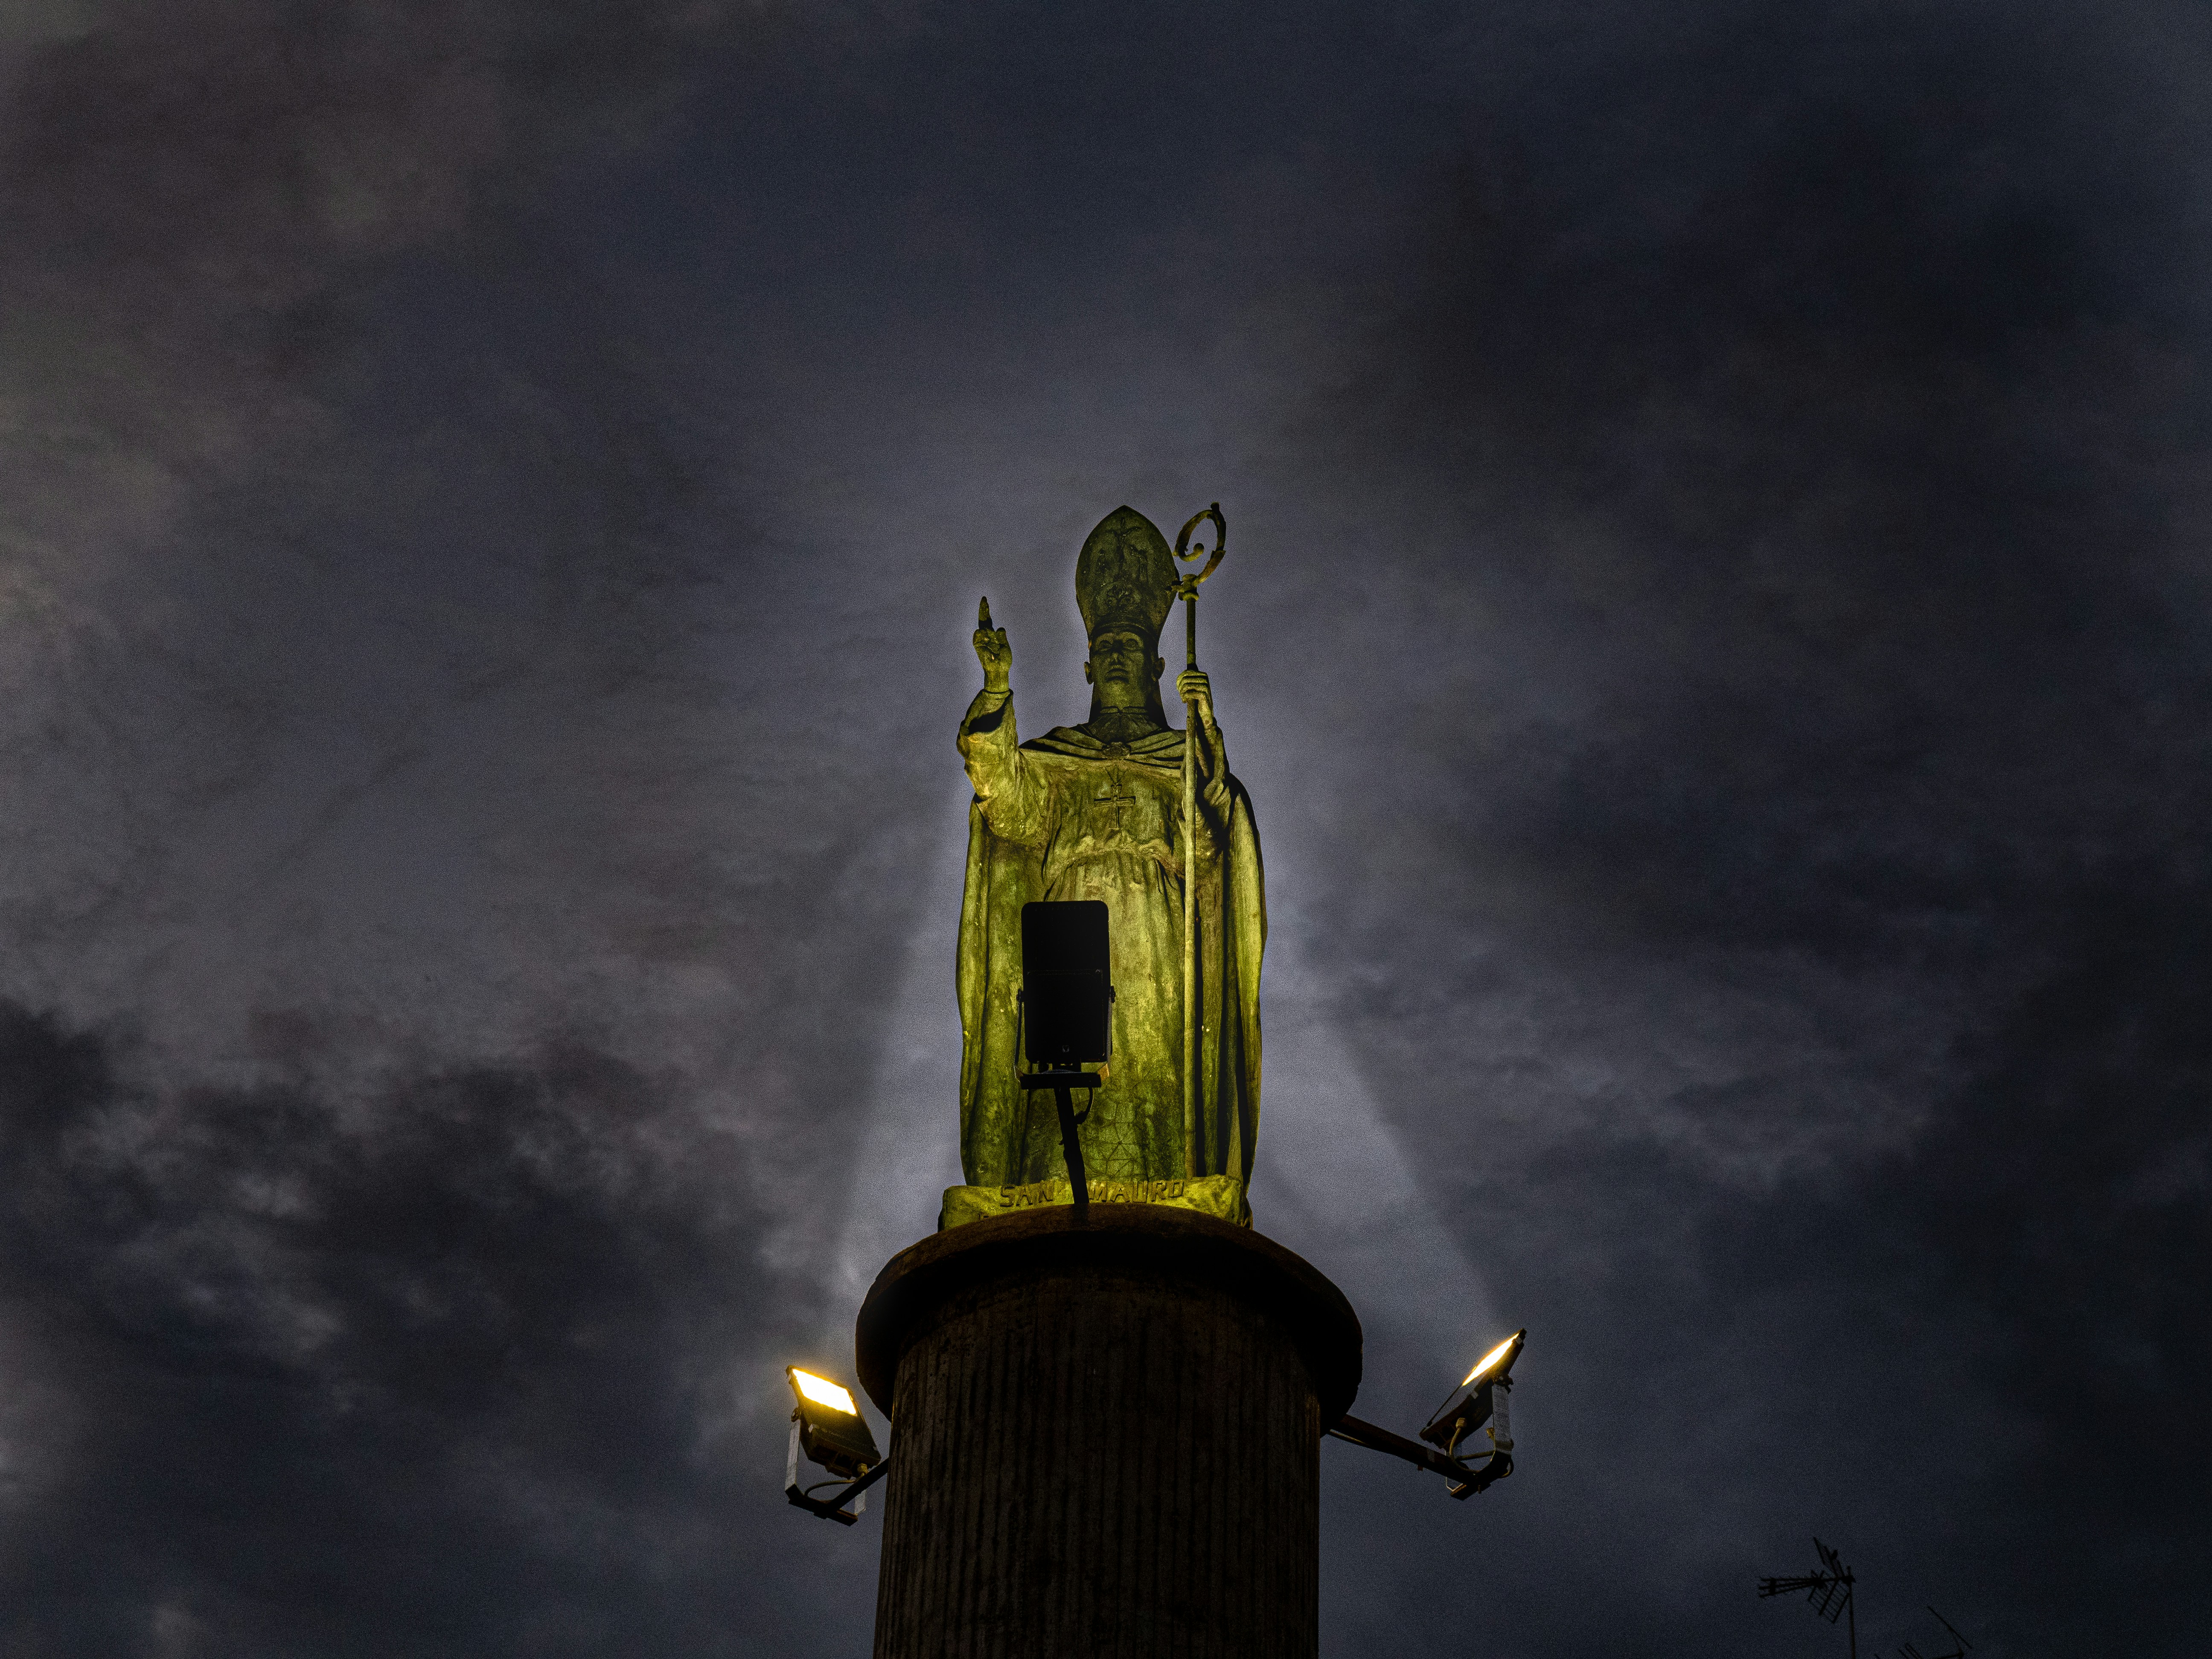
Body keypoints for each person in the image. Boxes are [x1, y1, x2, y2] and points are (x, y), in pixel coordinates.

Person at [953, 506, 1264, 1217]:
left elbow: (1210, 852)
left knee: (1153, 1063)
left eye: (1131, 643)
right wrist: (999, 691)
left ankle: (1169, 1178)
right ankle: (1050, 1181)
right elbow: (1008, 803)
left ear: (1159, 661)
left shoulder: (1180, 760)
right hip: (1072, 933)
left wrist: (1207, 740)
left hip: (1156, 940)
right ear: (1088, 663)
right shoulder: (1058, 762)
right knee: (1068, 1059)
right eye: (1107, 645)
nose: (1119, 655)